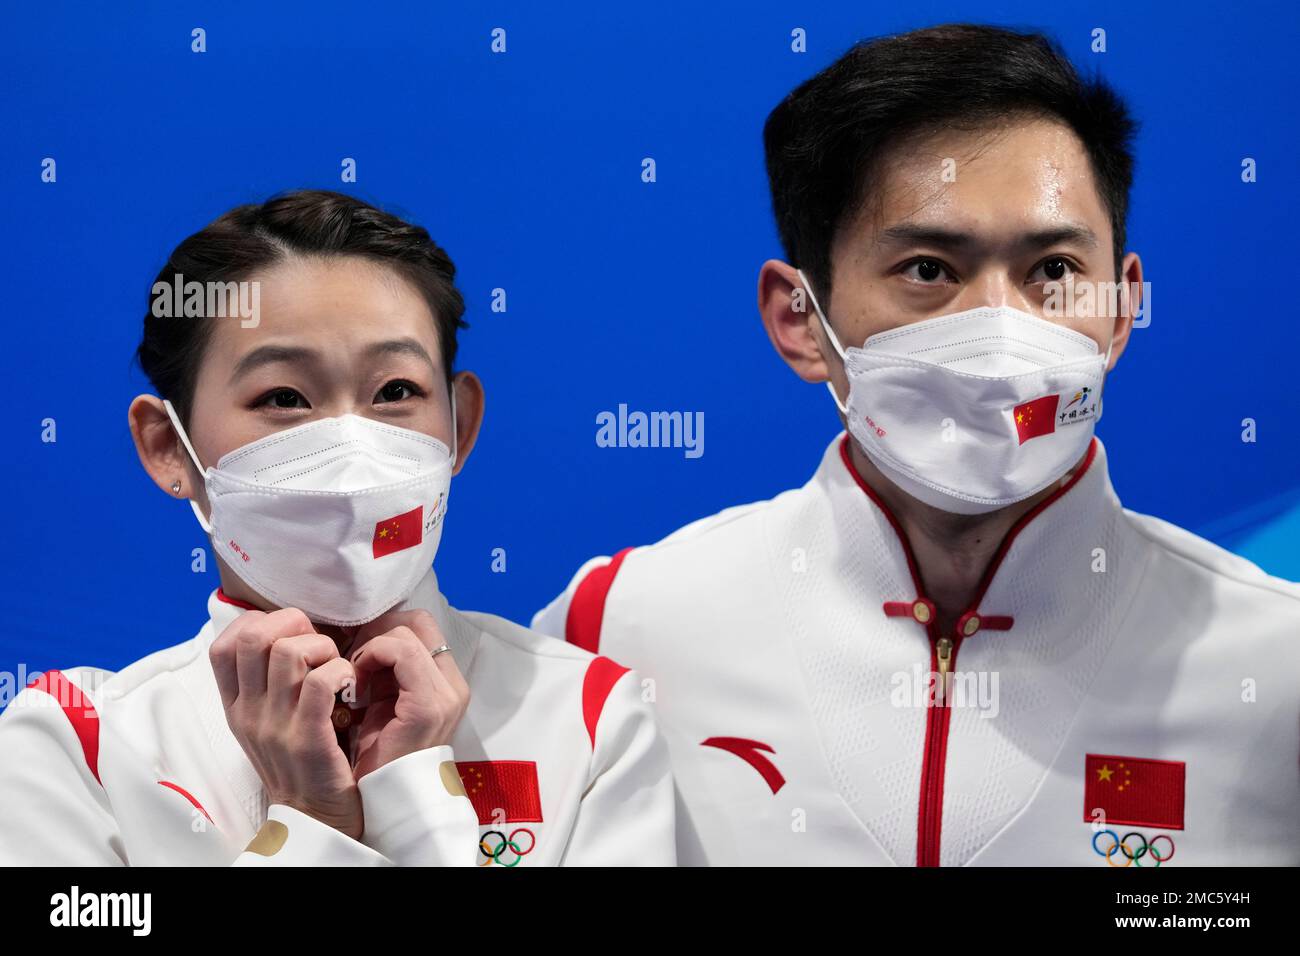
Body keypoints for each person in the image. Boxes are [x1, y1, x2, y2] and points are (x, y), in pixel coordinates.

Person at [533, 24, 1300, 866]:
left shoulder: (1276, 668)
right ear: (801, 321)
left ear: (1122, 309)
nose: (1001, 331)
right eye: (931, 269)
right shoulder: (620, 626)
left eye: (1053, 270)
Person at [0, 190, 674, 866]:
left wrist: (410, 800)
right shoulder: (78, 747)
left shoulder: (590, 720)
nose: (352, 452)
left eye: (395, 391)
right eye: (284, 398)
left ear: (461, 426)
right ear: (168, 447)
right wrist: (311, 820)